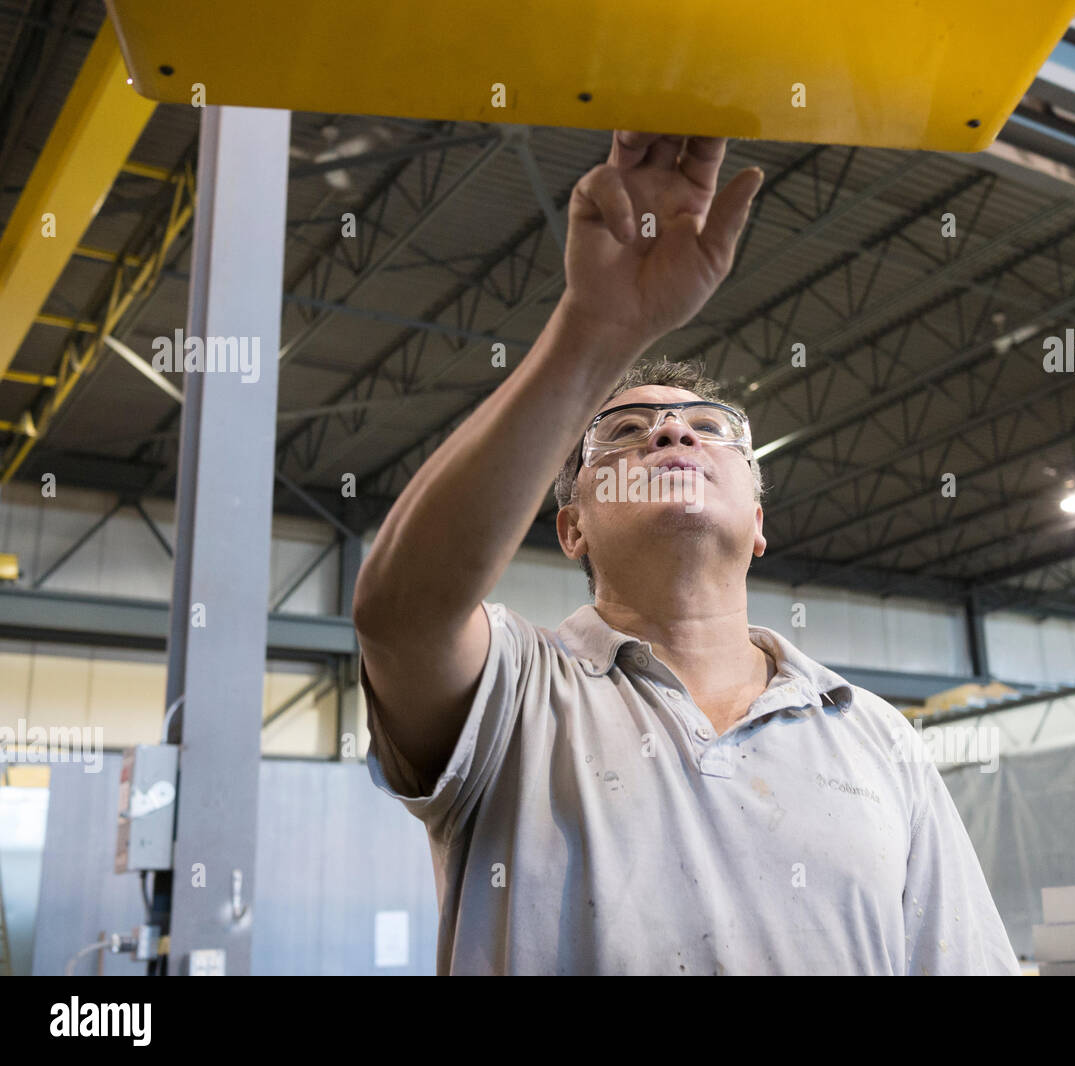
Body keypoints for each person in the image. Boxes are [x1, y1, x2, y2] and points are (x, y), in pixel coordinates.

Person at [352, 130, 1019, 975]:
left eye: (711, 431)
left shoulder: (875, 738)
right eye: (624, 432)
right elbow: (398, 613)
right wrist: (594, 329)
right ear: (573, 528)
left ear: (758, 519)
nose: (672, 428)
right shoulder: (515, 696)